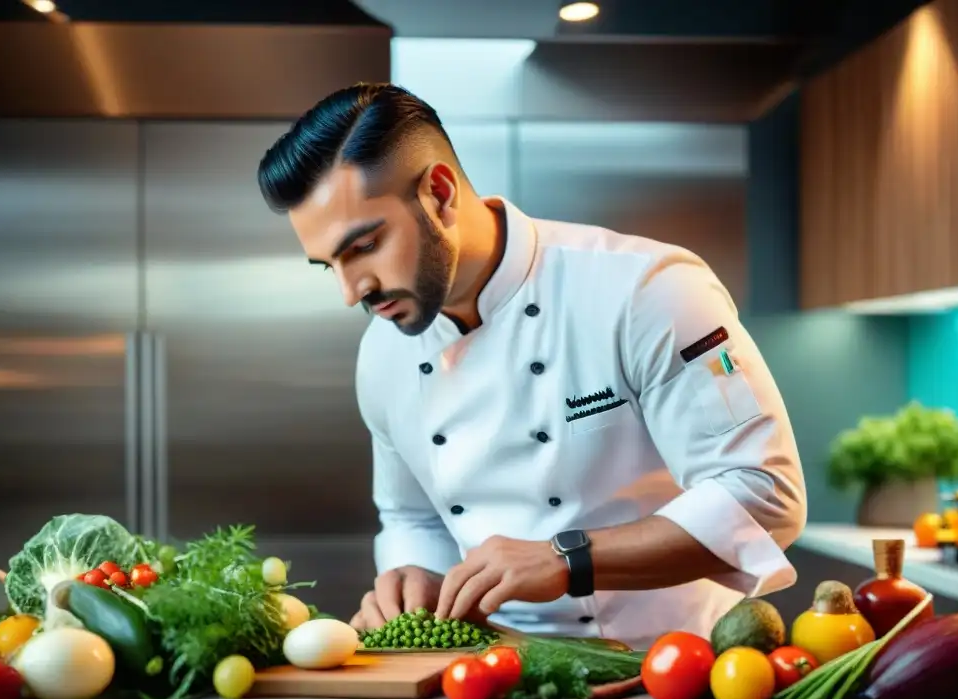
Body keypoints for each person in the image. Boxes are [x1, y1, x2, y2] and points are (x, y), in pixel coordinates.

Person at [257, 83, 807, 649]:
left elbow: (764, 493)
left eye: (364, 245)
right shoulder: (382, 353)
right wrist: (414, 577)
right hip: (497, 675)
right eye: (329, 266)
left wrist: (568, 560)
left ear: (439, 193)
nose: (353, 292)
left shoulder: (646, 290)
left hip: (676, 667)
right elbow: (411, 517)